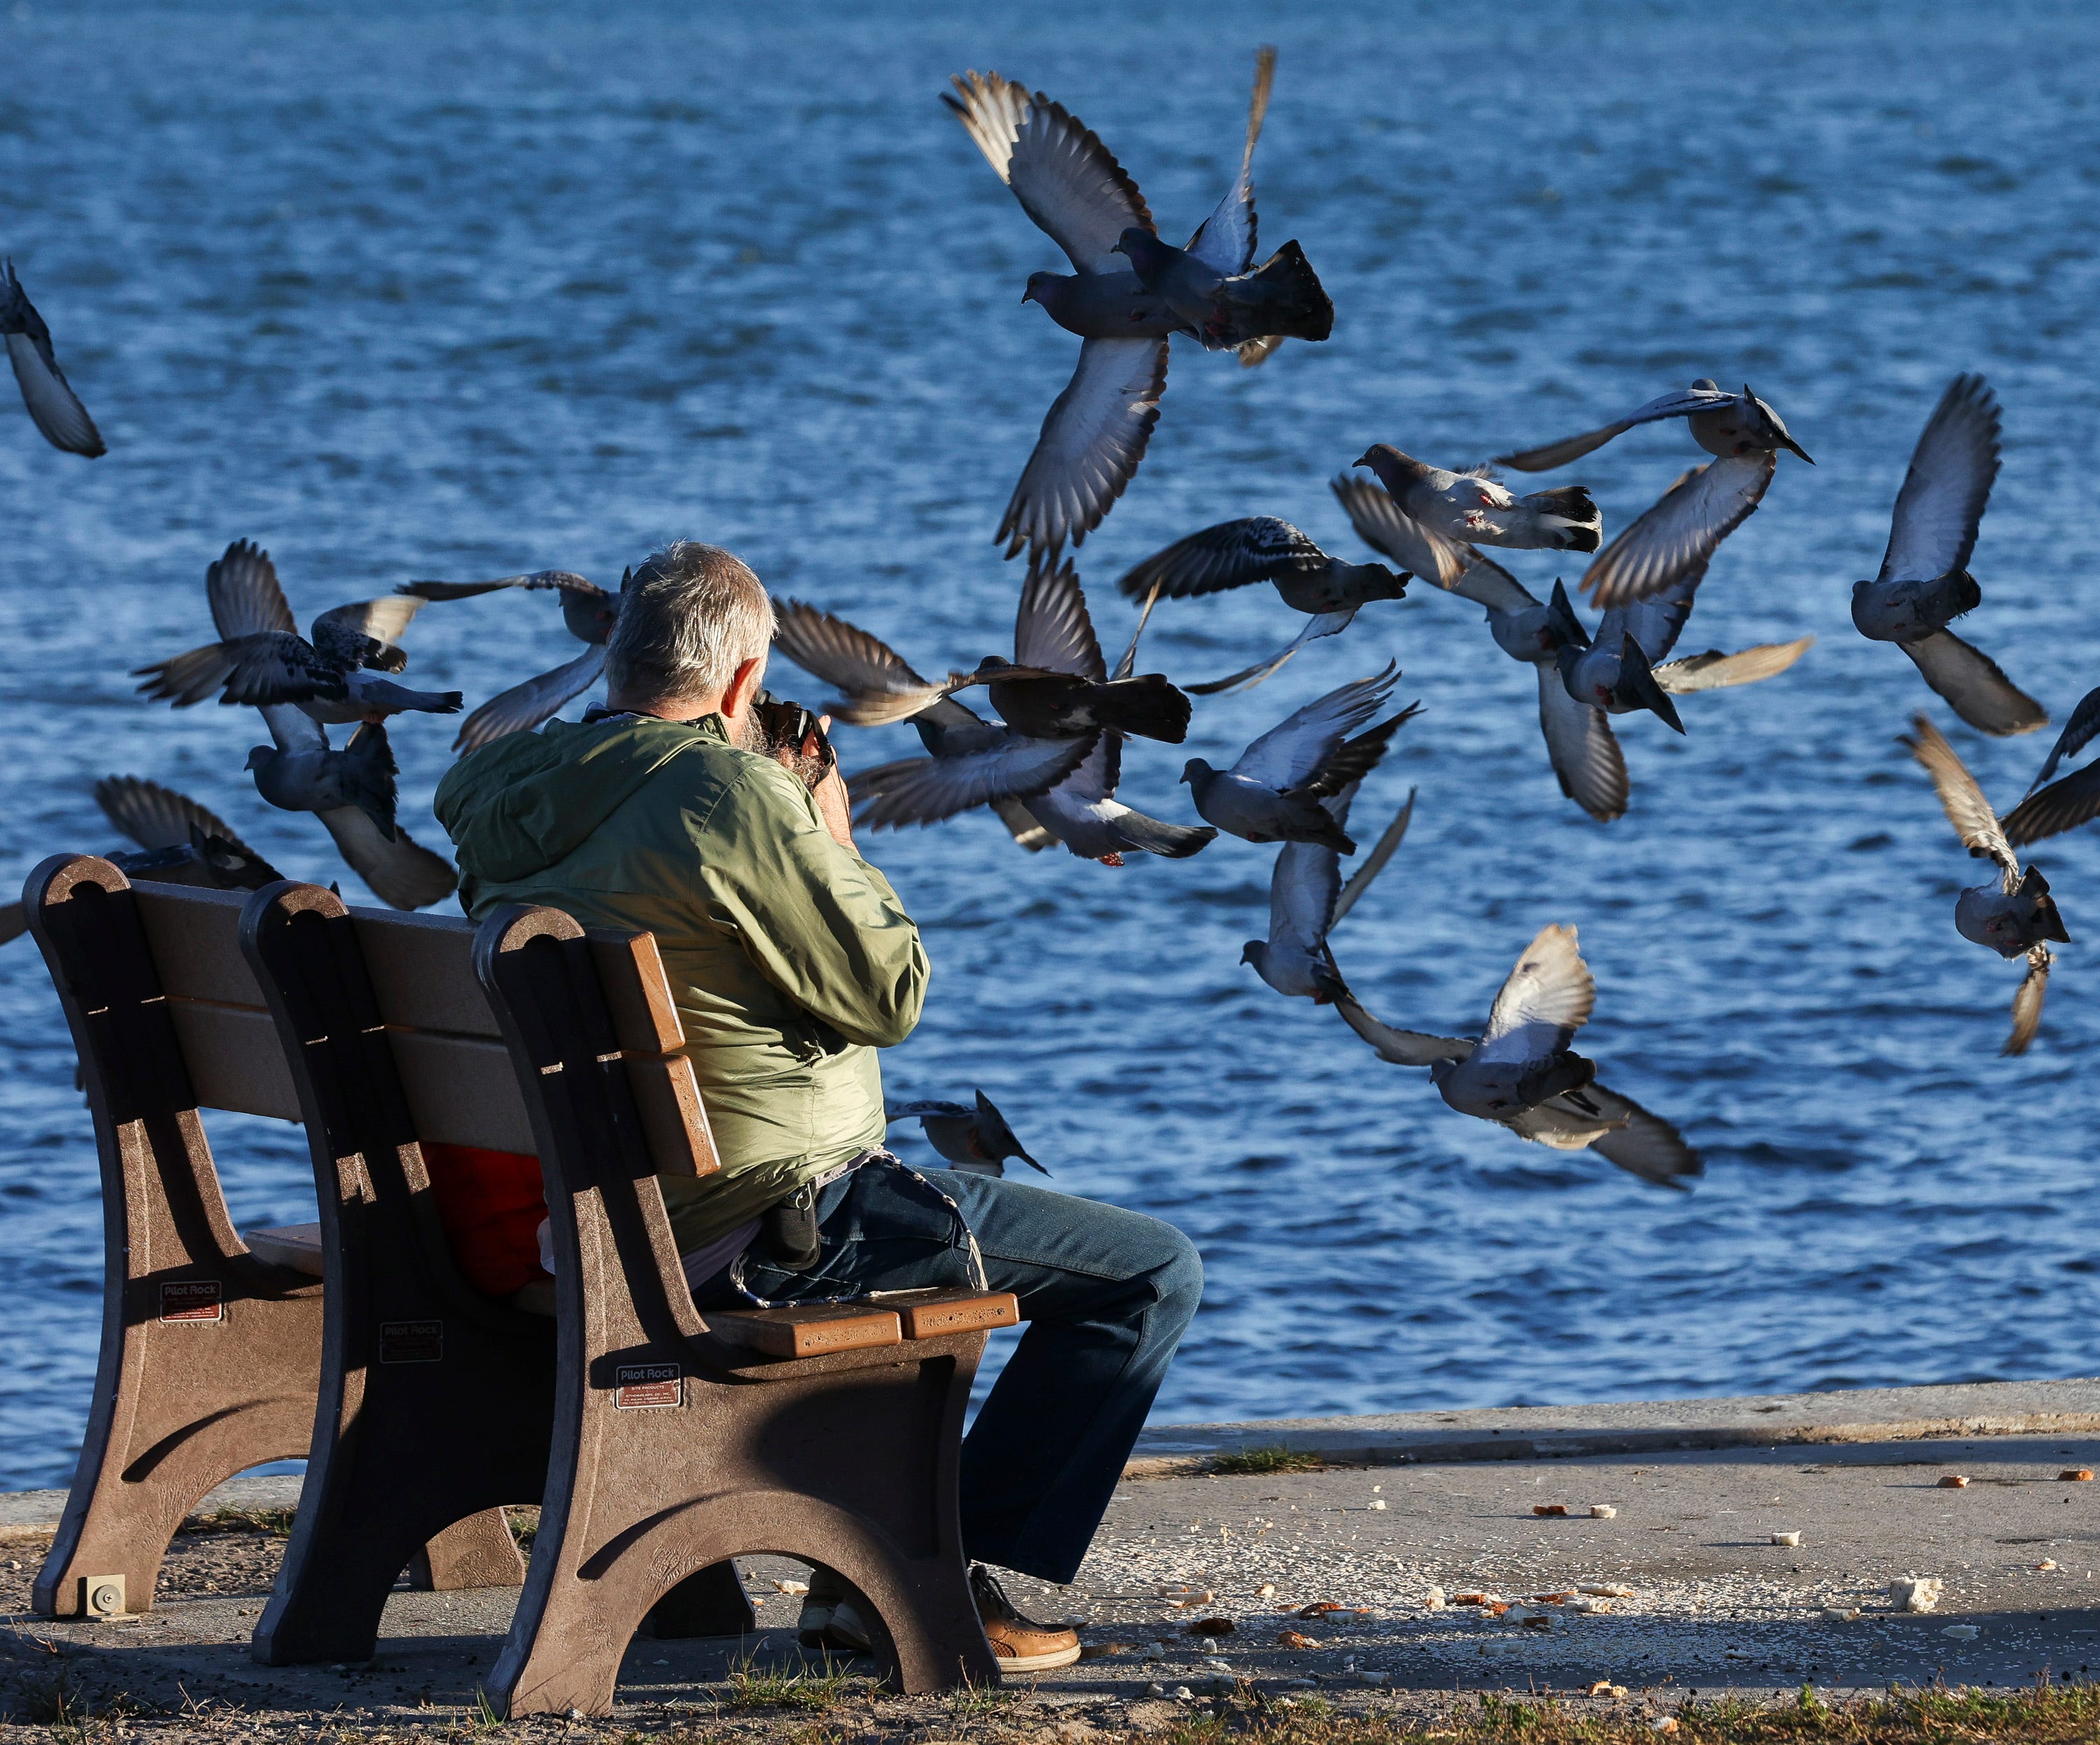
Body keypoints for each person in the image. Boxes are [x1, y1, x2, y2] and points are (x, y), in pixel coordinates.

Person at [433, 541, 1203, 1672]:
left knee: (987, 1224)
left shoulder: (502, 788)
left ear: (614, 658)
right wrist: (827, 827)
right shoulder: (731, 794)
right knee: (1150, 1272)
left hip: (605, 1218)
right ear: (745, 681)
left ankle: (881, 1567)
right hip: (774, 1228)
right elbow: (891, 993)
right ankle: (925, 1571)